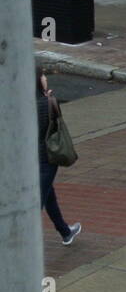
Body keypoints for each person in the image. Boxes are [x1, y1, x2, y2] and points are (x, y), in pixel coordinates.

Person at [35, 68, 81, 246]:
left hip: (29, 159)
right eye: (43, 76)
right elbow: (54, 126)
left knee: (48, 195)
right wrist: (48, 99)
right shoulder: (49, 102)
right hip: (46, 158)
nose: (46, 78)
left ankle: (65, 231)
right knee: (38, 199)